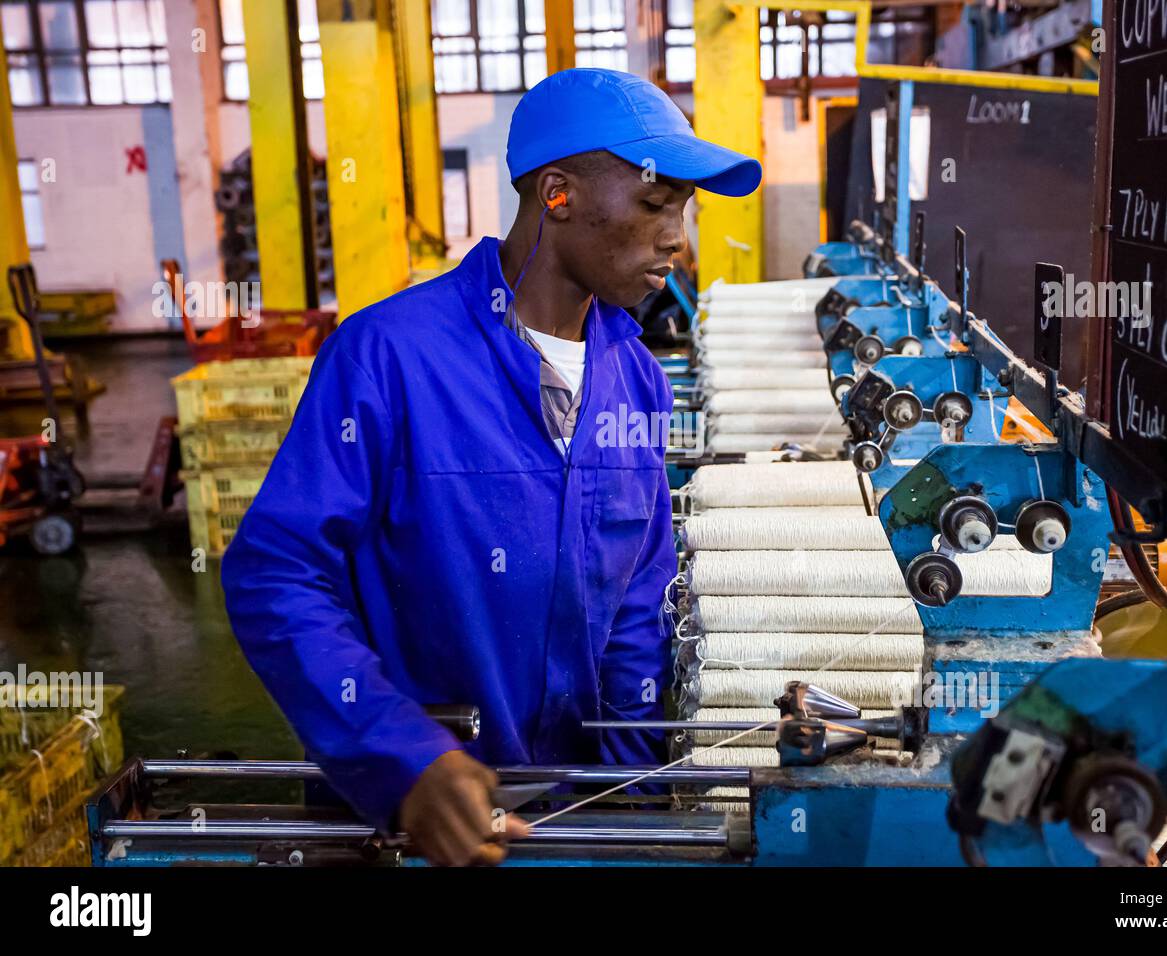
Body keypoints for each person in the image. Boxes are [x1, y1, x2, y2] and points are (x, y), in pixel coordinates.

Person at [220, 67, 762, 866]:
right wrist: (407, 762)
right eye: (655, 202)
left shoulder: (636, 378)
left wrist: (632, 810)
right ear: (557, 193)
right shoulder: (389, 358)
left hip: (575, 820)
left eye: (684, 208)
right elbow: (276, 574)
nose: (677, 236)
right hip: (408, 825)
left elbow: (637, 613)